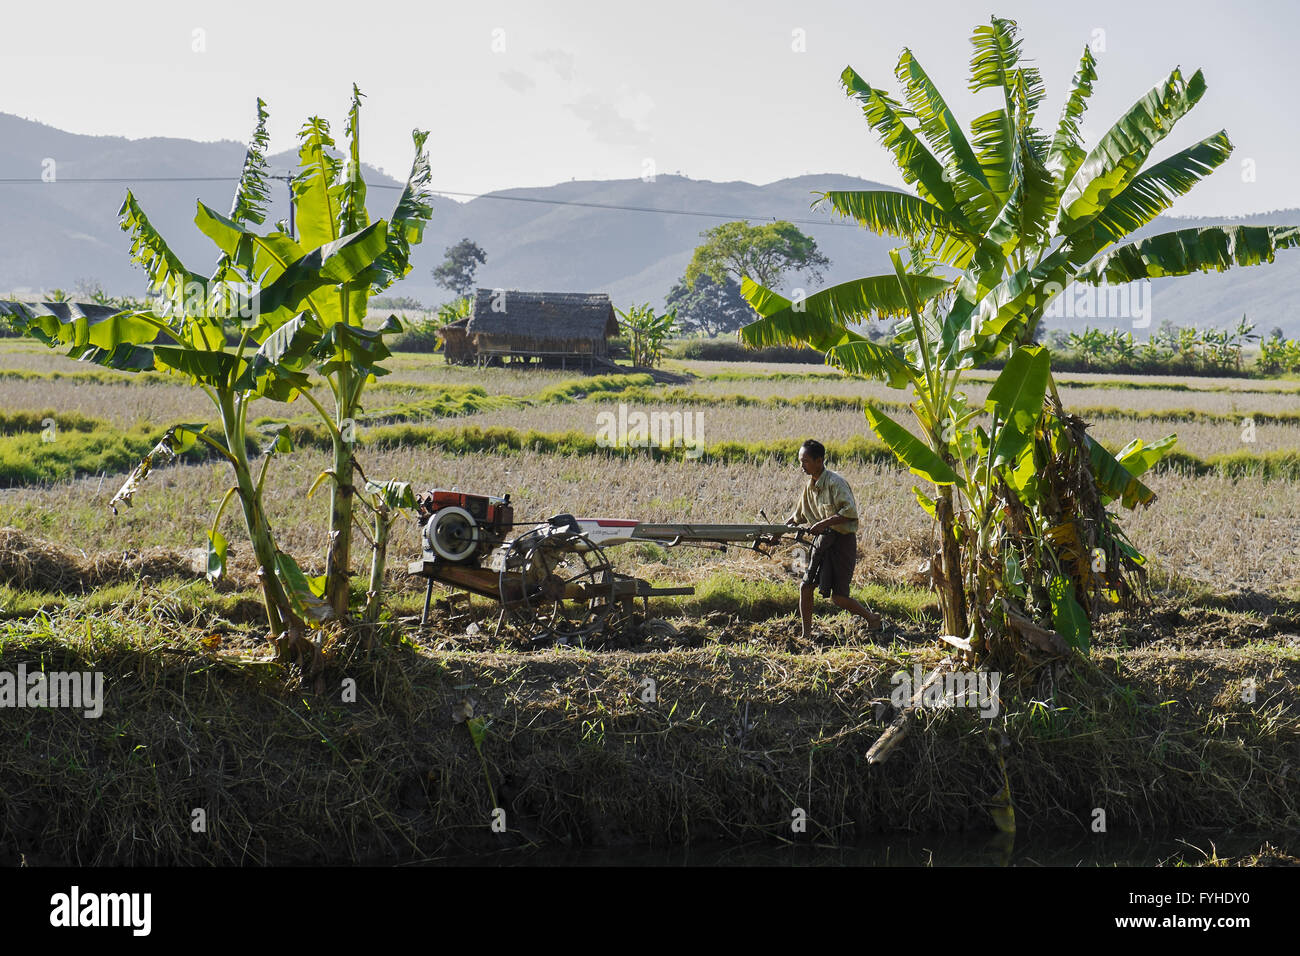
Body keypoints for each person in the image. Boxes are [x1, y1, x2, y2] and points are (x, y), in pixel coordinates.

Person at [785, 439, 883, 641]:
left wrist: (825, 523)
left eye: (805, 461)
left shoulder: (835, 483)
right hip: (821, 543)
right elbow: (797, 516)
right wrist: (778, 530)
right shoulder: (809, 487)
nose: (802, 466)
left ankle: (872, 618)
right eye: (800, 461)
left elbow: (850, 513)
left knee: (838, 597)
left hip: (841, 543)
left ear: (819, 460)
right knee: (806, 586)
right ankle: (806, 634)